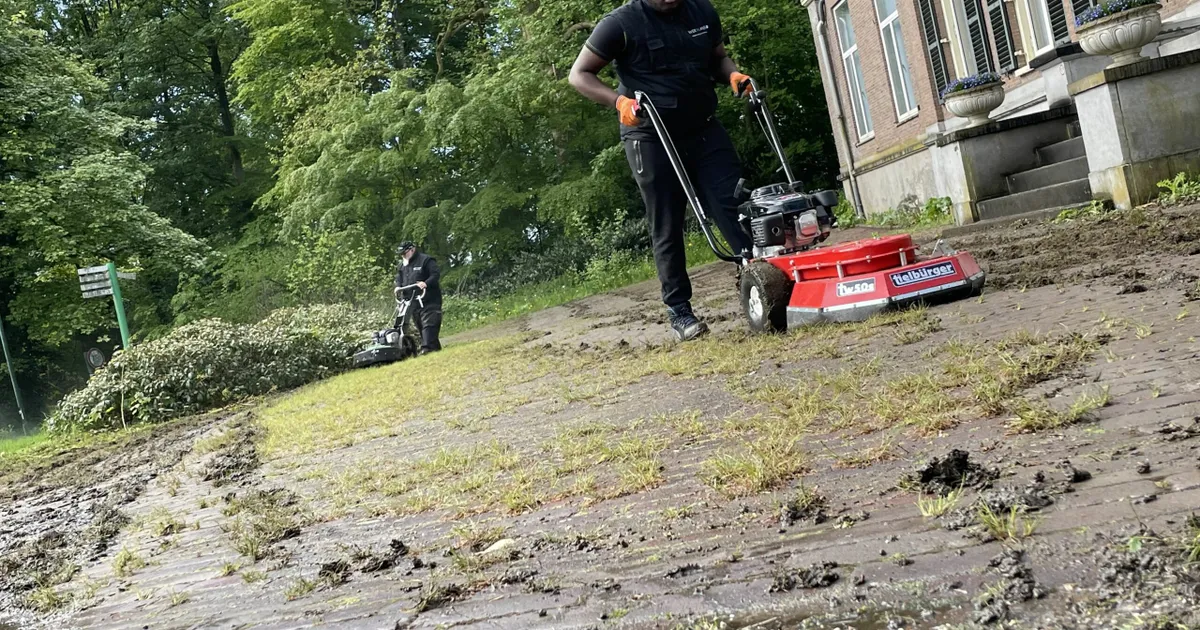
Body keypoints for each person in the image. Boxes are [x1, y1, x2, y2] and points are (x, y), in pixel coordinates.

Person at [568, 0, 754, 342]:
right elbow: (578, 74)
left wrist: (732, 73)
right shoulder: (620, 24)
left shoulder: (701, 12)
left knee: (734, 204)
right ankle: (680, 309)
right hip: (649, 133)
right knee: (667, 221)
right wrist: (618, 102)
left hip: (702, 126)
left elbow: (717, 58)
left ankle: (756, 275)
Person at [394, 241, 442, 355]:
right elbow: (399, 279)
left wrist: (425, 283)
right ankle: (435, 350)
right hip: (412, 301)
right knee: (421, 326)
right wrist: (397, 287)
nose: (403, 256)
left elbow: (435, 274)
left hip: (429, 299)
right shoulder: (402, 266)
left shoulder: (426, 260)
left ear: (412, 250)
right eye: (401, 254)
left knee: (429, 324)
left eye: (404, 253)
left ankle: (427, 349)